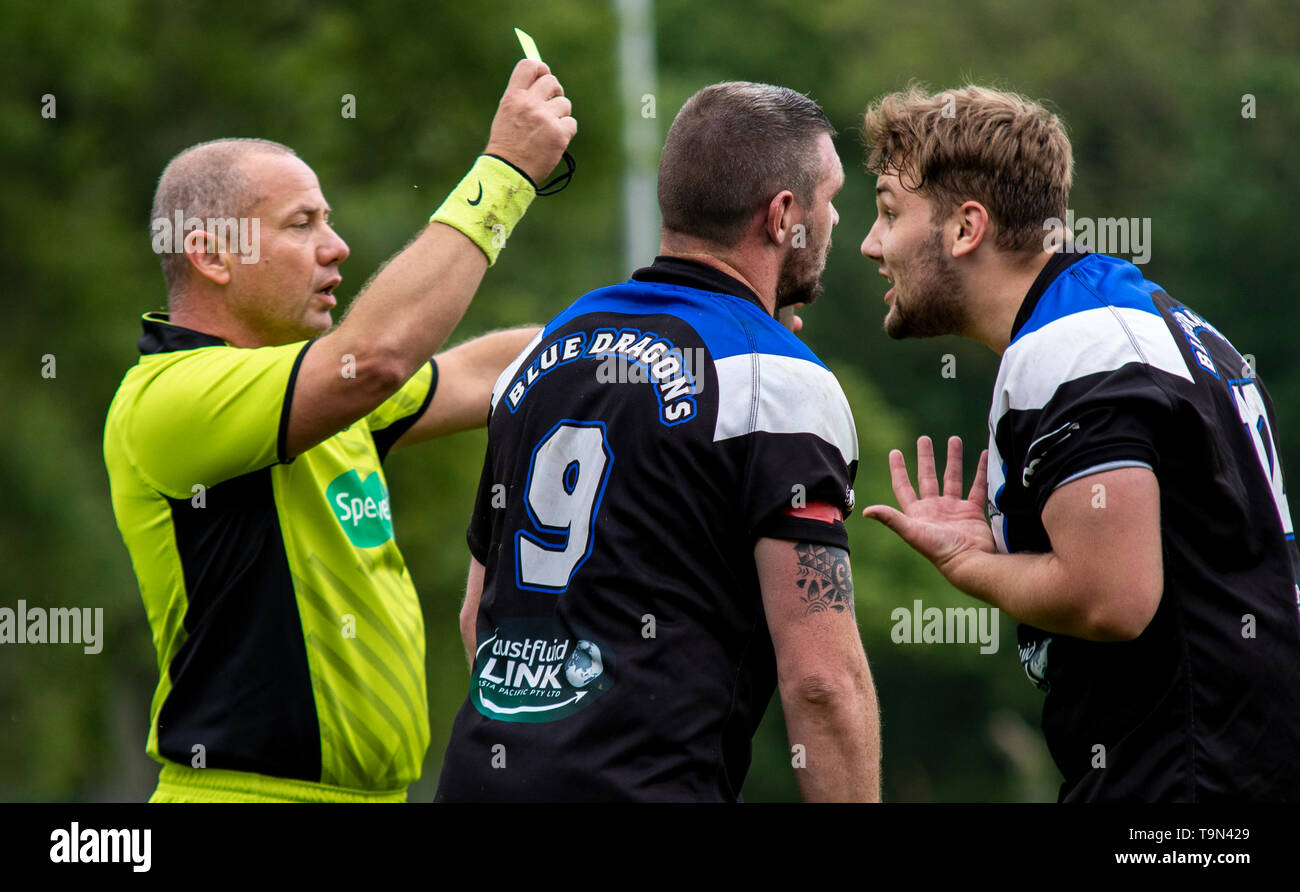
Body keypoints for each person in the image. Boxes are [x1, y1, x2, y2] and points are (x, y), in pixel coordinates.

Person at [103, 59, 576, 802]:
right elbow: (380, 355)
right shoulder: (172, 396)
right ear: (210, 255)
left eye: (326, 219)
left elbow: (482, 374)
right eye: (301, 225)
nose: (337, 247)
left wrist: (673, 327)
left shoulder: (316, 388)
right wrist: (506, 174)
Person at [435, 82, 880, 802]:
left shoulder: (542, 353)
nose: (836, 219)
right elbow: (822, 683)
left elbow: (475, 614)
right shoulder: (777, 379)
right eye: (829, 198)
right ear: (782, 216)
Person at [857, 84, 1300, 801]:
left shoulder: (1077, 346)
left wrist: (973, 567)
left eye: (887, 213)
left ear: (966, 227)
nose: (872, 244)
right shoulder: (1137, 315)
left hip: (1184, 790)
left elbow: (1113, 599)